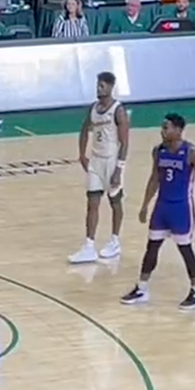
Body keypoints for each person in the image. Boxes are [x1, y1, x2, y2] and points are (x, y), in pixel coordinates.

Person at [121, 113, 195, 309]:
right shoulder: (158, 151)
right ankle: (142, 288)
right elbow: (154, 178)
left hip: (181, 208)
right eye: (162, 127)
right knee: (152, 247)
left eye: (166, 127)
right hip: (161, 207)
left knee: (185, 249)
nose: (162, 131)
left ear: (178, 130)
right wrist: (145, 205)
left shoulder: (192, 152)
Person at [69, 72, 129, 264]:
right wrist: (82, 154)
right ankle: (89, 245)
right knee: (92, 202)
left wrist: (119, 169)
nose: (98, 88)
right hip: (95, 160)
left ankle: (115, 240)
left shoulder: (118, 110)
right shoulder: (93, 109)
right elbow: (84, 130)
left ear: (111, 87)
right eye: (97, 85)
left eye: (102, 86)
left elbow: (125, 142)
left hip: (111, 161)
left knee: (115, 201)